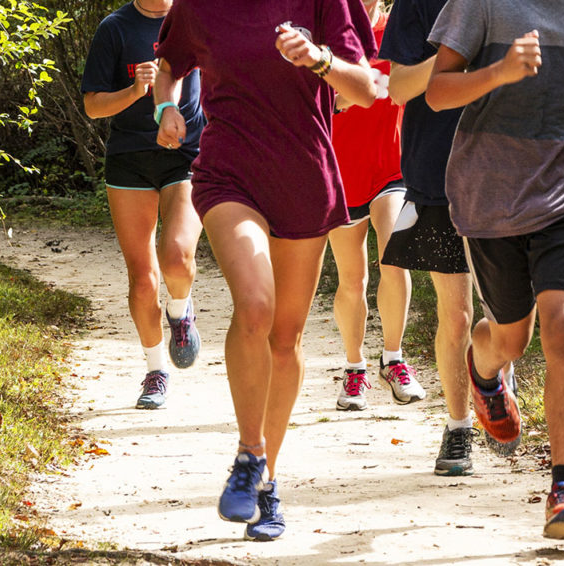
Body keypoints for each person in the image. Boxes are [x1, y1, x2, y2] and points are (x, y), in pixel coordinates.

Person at [152, 0, 377, 541]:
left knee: (285, 338)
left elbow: (366, 88)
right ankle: (249, 454)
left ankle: (267, 481)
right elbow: (168, 66)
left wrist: (319, 60)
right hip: (228, 171)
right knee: (255, 305)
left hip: (304, 174)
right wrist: (165, 108)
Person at [425, 0, 564, 539]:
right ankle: (484, 369)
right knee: (511, 340)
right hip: (492, 196)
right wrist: (498, 72)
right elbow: (437, 91)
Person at [81, 0, 204, 411]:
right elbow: (93, 105)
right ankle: (156, 371)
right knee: (142, 279)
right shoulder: (114, 28)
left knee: (177, 258)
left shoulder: (196, 17)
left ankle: (180, 312)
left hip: (185, 153)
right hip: (129, 159)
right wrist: (135, 90)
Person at [378, 0, 480, 477]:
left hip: (511, 173)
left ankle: (492, 377)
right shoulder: (416, 4)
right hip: (438, 174)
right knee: (456, 315)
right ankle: (459, 427)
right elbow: (398, 87)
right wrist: (455, 55)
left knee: (508, 317)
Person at [329, 0, 425, 412]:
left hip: (391, 167)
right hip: (340, 171)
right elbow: (309, 101)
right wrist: (341, 100)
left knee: (395, 258)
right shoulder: (329, 36)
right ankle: (354, 369)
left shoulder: (399, 31)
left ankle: (394, 360)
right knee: (352, 280)